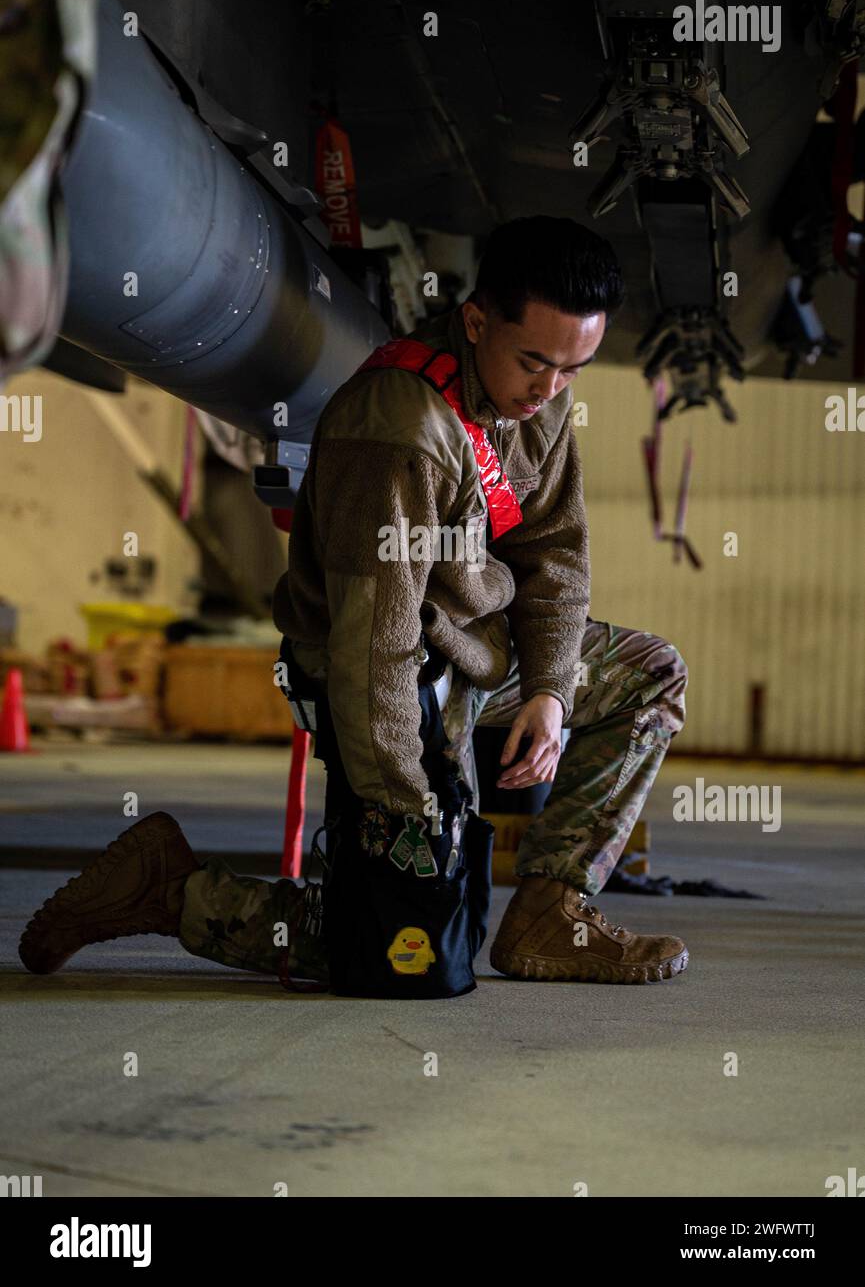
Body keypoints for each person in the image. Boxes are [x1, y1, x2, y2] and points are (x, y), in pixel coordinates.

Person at [19, 216, 689, 993]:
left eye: (572, 371)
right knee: (411, 950)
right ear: (475, 323)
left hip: (470, 650)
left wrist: (549, 689)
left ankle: (551, 911)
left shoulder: (530, 404)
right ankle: (171, 891)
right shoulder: (399, 432)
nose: (547, 391)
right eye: (535, 362)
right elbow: (376, 643)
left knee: (650, 674)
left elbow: (554, 555)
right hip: (390, 679)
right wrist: (401, 810)